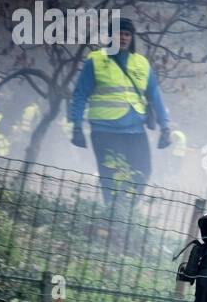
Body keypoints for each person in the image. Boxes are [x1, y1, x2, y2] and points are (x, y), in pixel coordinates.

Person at [70, 17, 173, 204]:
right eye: (119, 33)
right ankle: (112, 215)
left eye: (127, 34)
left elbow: (155, 95)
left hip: (135, 130)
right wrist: (76, 126)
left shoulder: (141, 63)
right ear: (110, 36)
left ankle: (126, 213)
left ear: (132, 37)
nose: (124, 38)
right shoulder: (96, 60)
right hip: (104, 131)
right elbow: (80, 94)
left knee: (143, 170)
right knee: (111, 176)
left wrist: (165, 126)